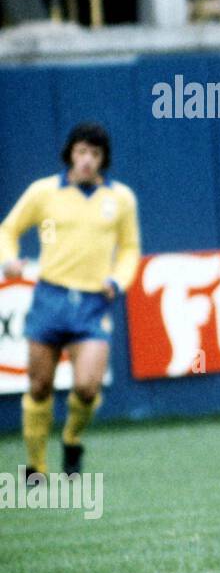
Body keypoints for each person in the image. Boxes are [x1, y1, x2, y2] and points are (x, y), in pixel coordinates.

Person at [0, 124, 141, 485]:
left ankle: (72, 439)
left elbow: (129, 249)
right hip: (50, 298)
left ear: (103, 159)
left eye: (95, 154)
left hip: (93, 303)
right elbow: (8, 229)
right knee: (40, 385)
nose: (87, 161)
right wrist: (8, 259)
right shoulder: (44, 192)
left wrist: (117, 280)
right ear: (70, 154)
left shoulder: (120, 199)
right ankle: (36, 467)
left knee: (88, 387)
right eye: (81, 152)